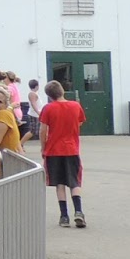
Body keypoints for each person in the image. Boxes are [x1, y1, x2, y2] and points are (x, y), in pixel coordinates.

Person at [38, 80, 87, 228]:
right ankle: (78, 211)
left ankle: (64, 216)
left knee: (59, 182)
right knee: (74, 181)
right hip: (71, 148)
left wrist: (43, 147)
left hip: (53, 150)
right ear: (62, 91)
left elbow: (42, 130)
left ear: (49, 96)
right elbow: (80, 122)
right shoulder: (75, 106)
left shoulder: (48, 108)